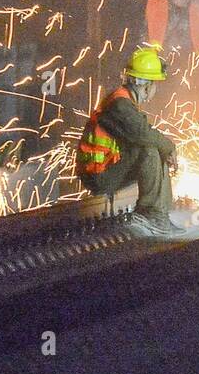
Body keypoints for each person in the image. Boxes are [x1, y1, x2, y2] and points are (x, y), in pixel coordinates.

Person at [76, 47, 182, 235]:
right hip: (99, 176)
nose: (155, 90)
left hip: (107, 169)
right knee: (149, 150)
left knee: (155, 148)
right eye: (155, 84)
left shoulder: (123, 101)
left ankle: (160, 214)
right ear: (146, 85)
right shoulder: (119, 105)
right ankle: (150, 214)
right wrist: (169, 146)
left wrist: (165, 149)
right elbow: (142, 134)